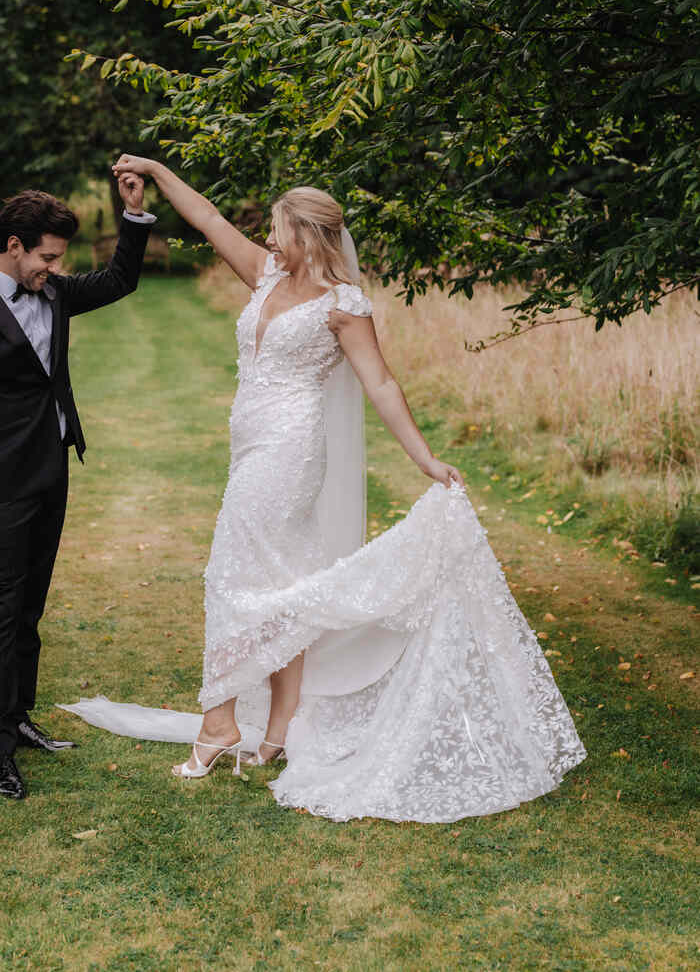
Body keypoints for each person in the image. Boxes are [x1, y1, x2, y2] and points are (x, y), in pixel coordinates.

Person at [62, 159, 586, 823]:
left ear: (310, 237)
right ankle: (277, 730)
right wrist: (158, 175)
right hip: (248, 443)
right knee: (282, 578)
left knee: (228, 574)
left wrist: (424, 458)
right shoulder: (265, 272)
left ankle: (219, 723)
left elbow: (383, 385)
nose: (269, 239)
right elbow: (209, 218)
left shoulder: (342, 306)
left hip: (288, 450)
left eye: (279, 231)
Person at [0, 180, 154, 800]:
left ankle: (19, 718)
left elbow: (121, 281)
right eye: (47, 257)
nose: (57, 269)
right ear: (14, 247)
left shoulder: (54, 293)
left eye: (59, 260)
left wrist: (133, 212)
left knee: (29, 610)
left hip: (53, 471)